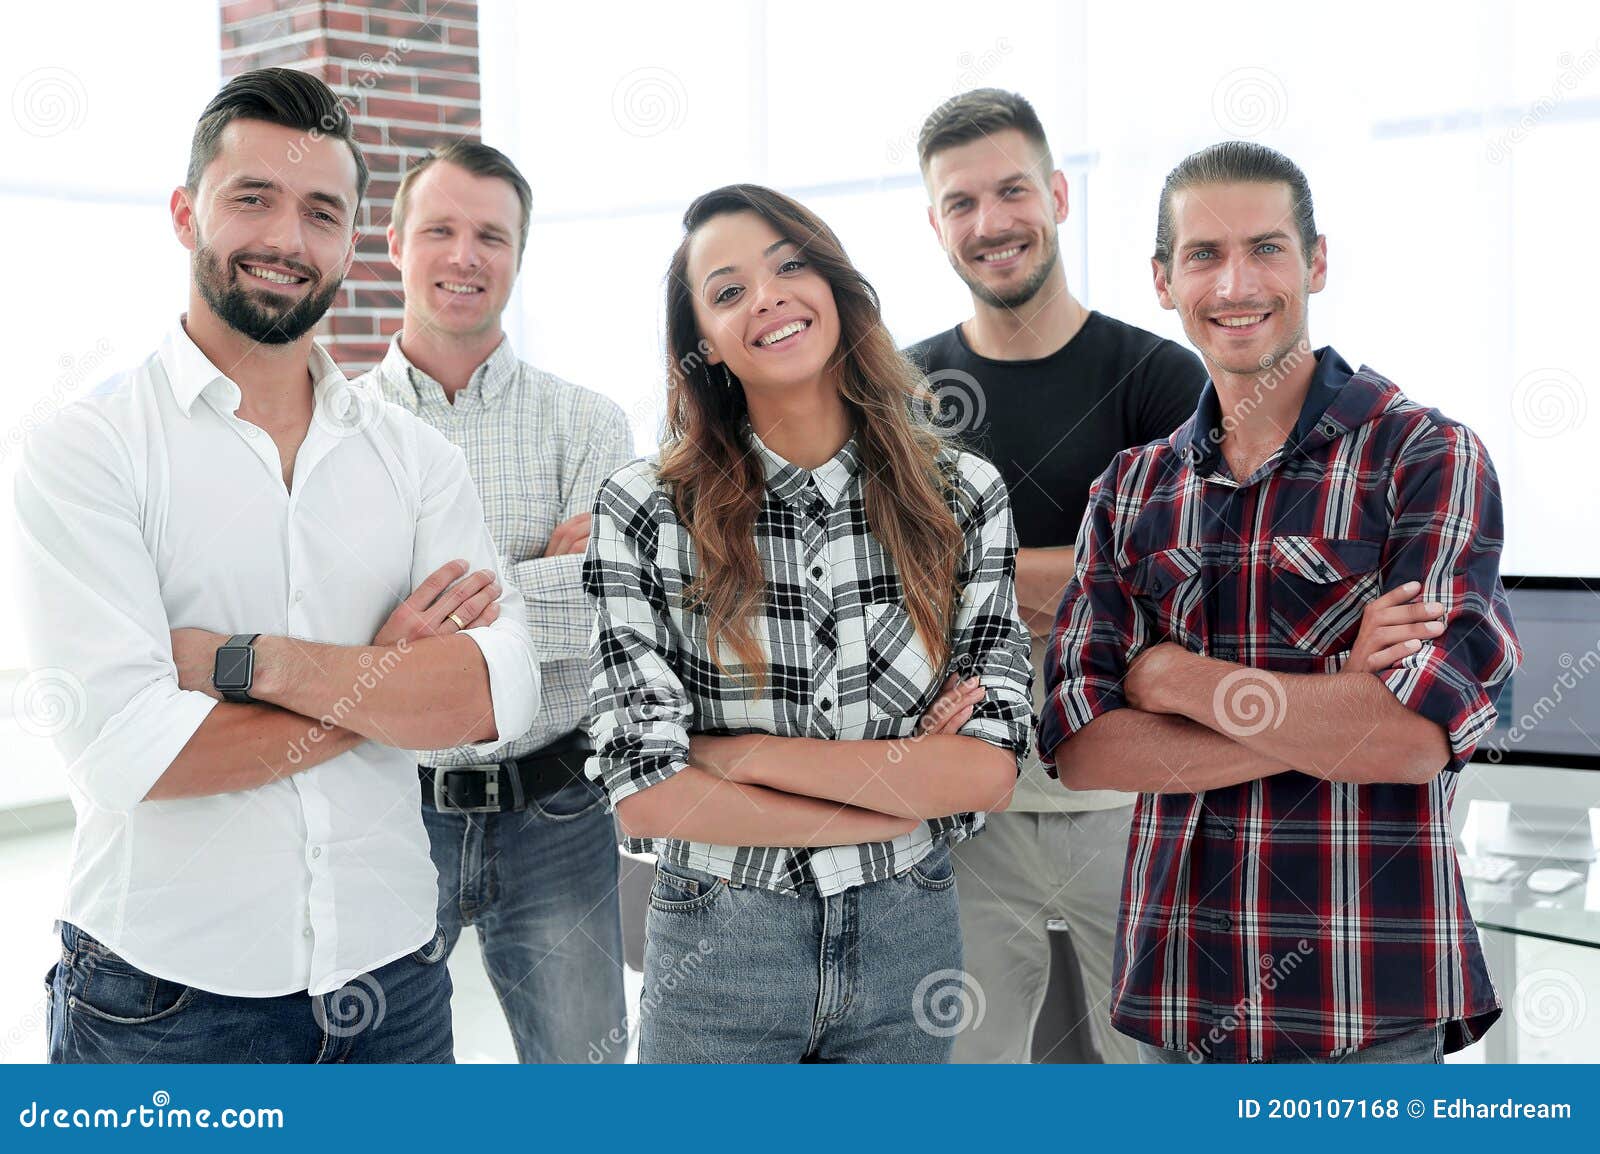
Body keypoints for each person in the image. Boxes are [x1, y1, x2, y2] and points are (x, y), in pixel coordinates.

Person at [16, 68, 539, 1064]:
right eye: (252, 198)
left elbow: (491, 697)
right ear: (185, 213)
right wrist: (388, 678)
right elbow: (131, 753)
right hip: (164, 1004)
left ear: (351, 242)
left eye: (321, 213)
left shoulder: (416, 458)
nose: (288, 240)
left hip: (395, 981)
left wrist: (251, 664)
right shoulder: (90, 447)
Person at [1040, 141, 1521, 1063]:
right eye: (1204, 255)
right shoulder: (1130, 492)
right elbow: (1085, 751)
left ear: (1317, 262)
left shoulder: (1426, 458)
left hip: (1363, 1002)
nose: (1236, 283)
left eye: (1266, 248)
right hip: (1176, 1004)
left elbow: (1410, 741)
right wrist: (1333, 706)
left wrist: (1171, 679)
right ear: (1162, 280)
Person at [583, 183, 1033, 1062]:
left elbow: (985, 770)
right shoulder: (644, 506)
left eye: (789, 266)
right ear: (703, 343)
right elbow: (647, 789)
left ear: (835, 287)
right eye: (728, 291)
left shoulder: (961, 494)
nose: (767, 298)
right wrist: (893, 796)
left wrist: (739, 755)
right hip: (719, 941)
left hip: (908, 936)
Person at [906, 88, 1207, 1064]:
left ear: (1059, 196)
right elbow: (884, 585)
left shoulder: (1160, 378)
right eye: (960, 202)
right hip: (965, 809)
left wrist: (968, 573)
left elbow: (1174, 577)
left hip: (1134, 799)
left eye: (1011, 190)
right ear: (935, 225)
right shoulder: (903, 394)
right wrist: (1087, 569)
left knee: (1162, 1075)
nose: (990, 222)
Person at [361, 140, 632, 1063]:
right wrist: (539, 578)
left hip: (558, 807)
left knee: (584, 1083)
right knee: (381, 1077)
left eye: (491, 236)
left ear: (519, 254)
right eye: (439, 230)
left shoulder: (591, 422)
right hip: (387, 808)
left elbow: (606, 617)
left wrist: (425, 618)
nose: (464, 256)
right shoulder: (335, 426)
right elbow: (335, 631)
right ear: (394, 244)